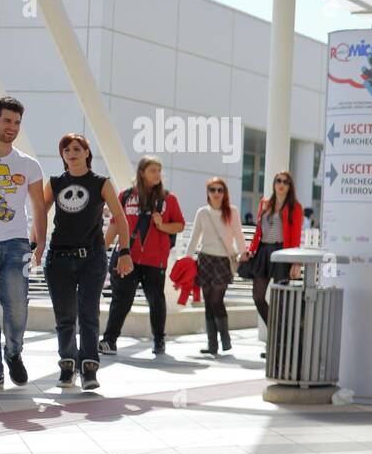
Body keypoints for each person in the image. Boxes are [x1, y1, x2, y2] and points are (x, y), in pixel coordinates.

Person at [41, 134, 126, 390]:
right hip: (59, 258)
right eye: (66, 149)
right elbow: (39, 214)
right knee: (65, 316)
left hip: (92, 259)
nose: (72, 153)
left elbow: (120, 219)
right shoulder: (55, 183)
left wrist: (125, 251)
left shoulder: (101, 183)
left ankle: (89, 366)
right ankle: (67, 365)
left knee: (89, 314)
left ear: (87, 152)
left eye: (77, 148)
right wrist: (35, 244)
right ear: (62, 155)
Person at [0, 97, 46, 389]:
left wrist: (40, 243)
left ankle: (13, 353)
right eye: (7, 121)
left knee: (18, 306)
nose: (12, 127)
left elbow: (38, 207)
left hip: (16, 245)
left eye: (17, 122)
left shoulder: (28, 164)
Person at [99, 156, 183, 357]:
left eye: (159, 171)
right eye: (153, 170)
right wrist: (101, 251)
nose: (158, 175)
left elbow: (179, 225)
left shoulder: (168, 199)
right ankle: (109, 340)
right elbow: (114, 225)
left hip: (155, 260)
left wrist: (162, 224)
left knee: (156, 300)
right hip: (127, 257)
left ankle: (159, 340)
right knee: (121, 300)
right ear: (142, 172)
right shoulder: (125, 196)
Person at [240, 171, 303, 356]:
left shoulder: (295, 207)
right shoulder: (265, 204)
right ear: (274, 184)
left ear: (290, 186)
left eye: (285, 182)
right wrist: (250, 250)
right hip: (263, 253)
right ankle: (276, 335)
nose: (281, 184)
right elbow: (259, 231)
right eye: (278, 181)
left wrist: (295, 261)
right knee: (258, 296)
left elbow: (296, 235)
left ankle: (278, 345)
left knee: (280, 301)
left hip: (282, 253)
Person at [187, 177, 247, 356]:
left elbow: (239, 233)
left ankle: (225, 339)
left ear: (225, 193)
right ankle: (212, 344)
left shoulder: (232, 211)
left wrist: (244, 252)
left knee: (216, 300)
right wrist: (187, 259)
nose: (216, 193)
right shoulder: (202, 213)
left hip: (223, 260)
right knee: (208, 303)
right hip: (205, 259)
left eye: (220, 190)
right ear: (207, 192)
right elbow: (194, 237)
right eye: (212, 190)